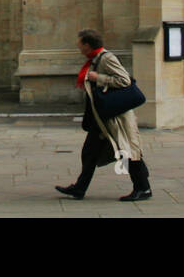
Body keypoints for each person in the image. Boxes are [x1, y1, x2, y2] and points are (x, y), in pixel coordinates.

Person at [55, 28, 152, 201]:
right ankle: (79, 188)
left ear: (87, 44)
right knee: (89, 153)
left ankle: (143, 188)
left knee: (128, 151)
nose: (78, 47)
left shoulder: (106, 58)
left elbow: (125, 80)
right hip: (102, 118)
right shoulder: (94, 59)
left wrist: (98, 78)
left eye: (79, 43)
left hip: (116, 117)